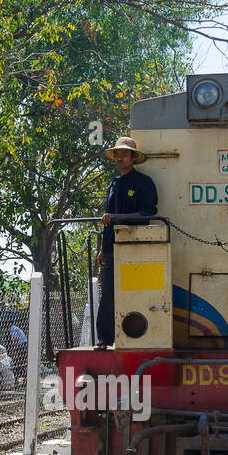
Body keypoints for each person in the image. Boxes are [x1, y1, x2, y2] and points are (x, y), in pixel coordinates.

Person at [97, 136, 158, 346]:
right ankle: (104, 339)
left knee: (139, 293)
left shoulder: (144, 183)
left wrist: (118, 218)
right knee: (108, 294)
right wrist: (103, 249)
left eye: (124, 153)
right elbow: (108, 218)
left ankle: (143, 337)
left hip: (137, 247)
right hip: (114, 248)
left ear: (133, 157)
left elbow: (147, 213)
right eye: (117, 153)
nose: (119, 157)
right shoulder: (113, 184)